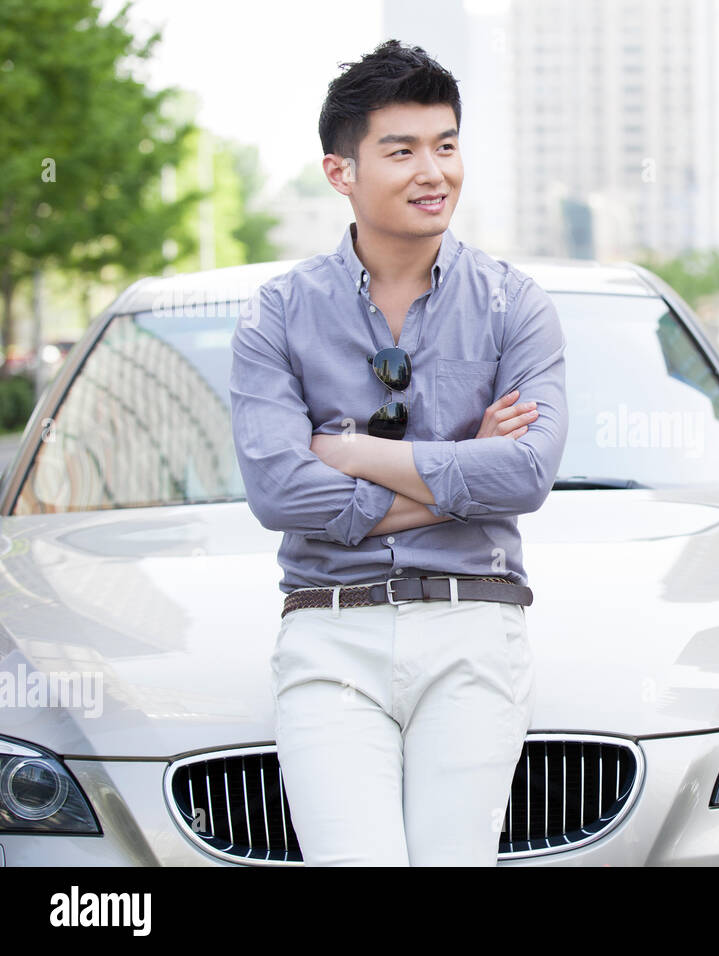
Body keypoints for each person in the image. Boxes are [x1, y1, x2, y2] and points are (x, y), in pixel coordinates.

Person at [227, 39, 568, 865]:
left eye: (447, 145)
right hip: (328, 631)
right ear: (340, 171)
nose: (435, 171)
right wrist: (459, 474)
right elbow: (279, 493)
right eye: (402, 149)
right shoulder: (276, 314)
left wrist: (350, 453)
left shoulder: (514, 306)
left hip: (475, 620)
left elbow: (525, 473)